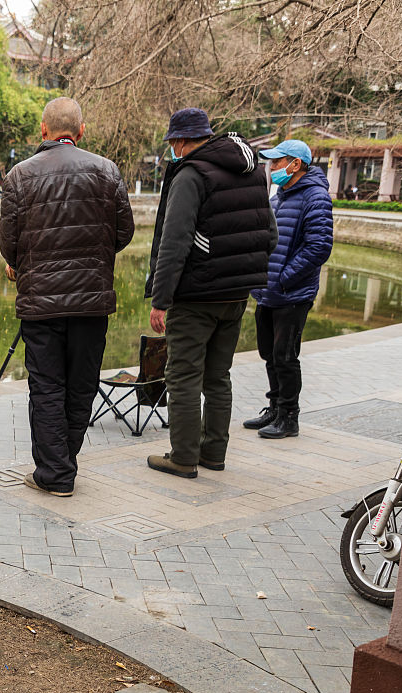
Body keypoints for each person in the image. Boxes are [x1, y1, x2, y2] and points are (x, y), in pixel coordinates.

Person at [0, 96, 135, 497]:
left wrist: (26, 260)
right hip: (92, 303)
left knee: (46, 388)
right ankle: (62, 466)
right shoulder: (107, 171)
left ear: (43, 131)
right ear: (81, 131)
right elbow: (123, 233)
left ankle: (56, 473)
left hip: (41, 305)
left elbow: (9, 244)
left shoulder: (20, 176)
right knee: (80, 386)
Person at [144, 108, 277, 479]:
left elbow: (175, 242)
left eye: (173, 143)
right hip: (236, 295)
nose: (173, 150)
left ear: (182, 141)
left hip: (196, 295)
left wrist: (160, 298)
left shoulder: (191, 174)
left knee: (182, 376)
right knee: (218, 376)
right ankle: (213, 453)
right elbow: (270, 233)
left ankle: (183, 457)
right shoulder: (252, 170)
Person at [243, 139, 333, 439]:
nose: (272, 167)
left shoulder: (315, 196)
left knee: (285, 356)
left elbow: (319, 246)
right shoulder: (280, 195)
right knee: (269, 353)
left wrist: (284, 277)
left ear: (295, 164)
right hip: (269, 291)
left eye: (277, 162)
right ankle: (274, 407)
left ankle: (289, 417)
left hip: (292, 294)